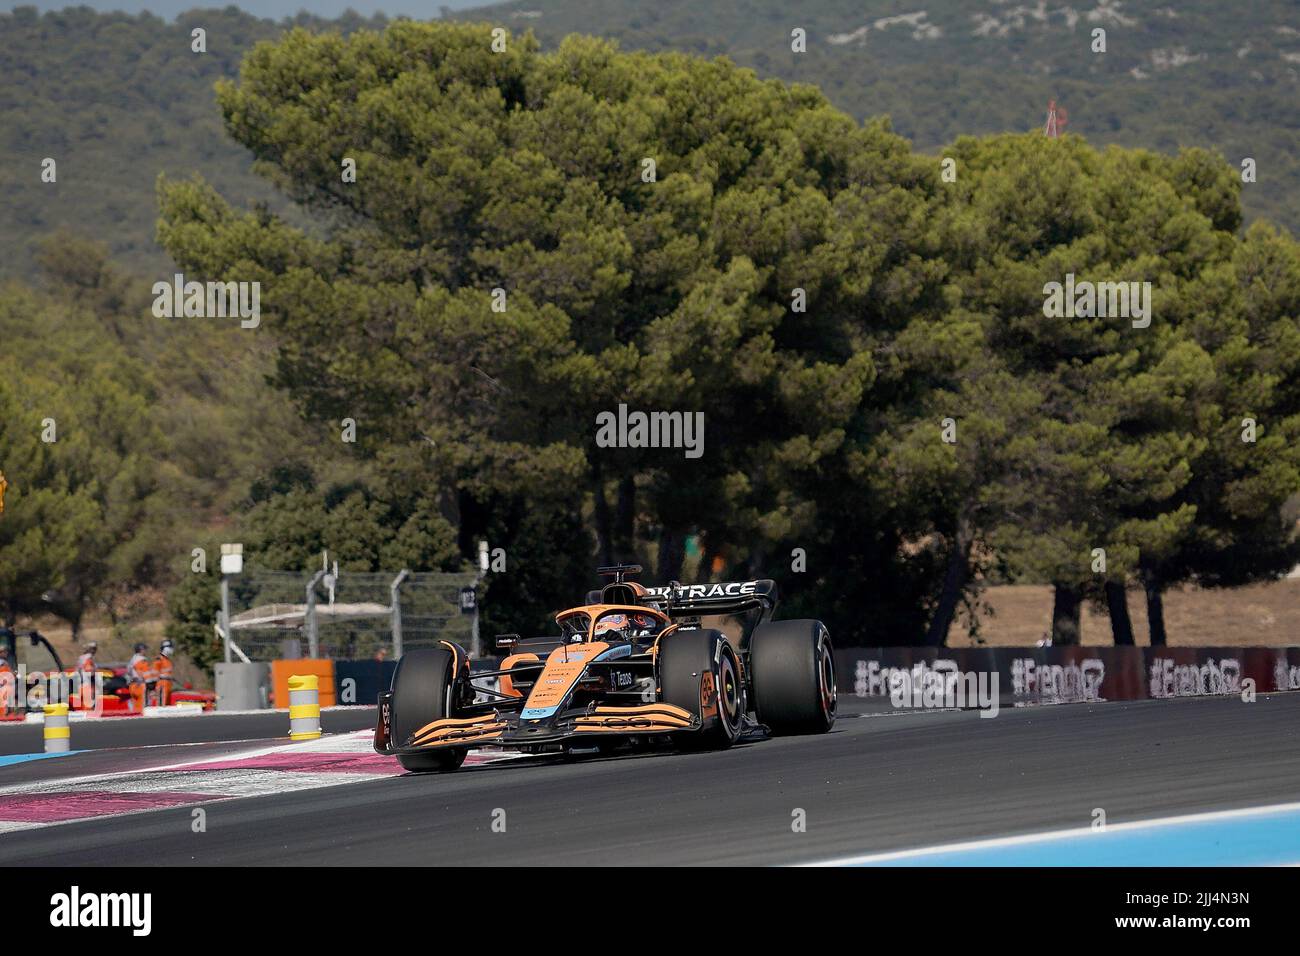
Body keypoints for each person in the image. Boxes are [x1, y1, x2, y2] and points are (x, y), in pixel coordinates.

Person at [127, 642, 151, 713]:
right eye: (145, 649)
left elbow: (128, 672)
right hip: (140, 685)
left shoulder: (132, 659)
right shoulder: (142, 660)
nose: (146, 651)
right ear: (141, 650)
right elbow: (145, 675)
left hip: (132, 685)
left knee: (135, 709)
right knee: (143, 709)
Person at [76, 641, 98, 709]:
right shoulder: (88, 658)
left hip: (80, 686)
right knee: (88, 710)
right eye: (94, 649)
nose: (95, 650)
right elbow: (90, 673)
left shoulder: (81, 658)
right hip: (87, 686)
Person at [153, 640, 175, 706]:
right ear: (165, 648)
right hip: (162, 684)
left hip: (168, 684)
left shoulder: (168, 660)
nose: (172, 649)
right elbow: (154, 673)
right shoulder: (159, 659)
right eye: (170, 647)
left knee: (168, 705)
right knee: (162, 705)